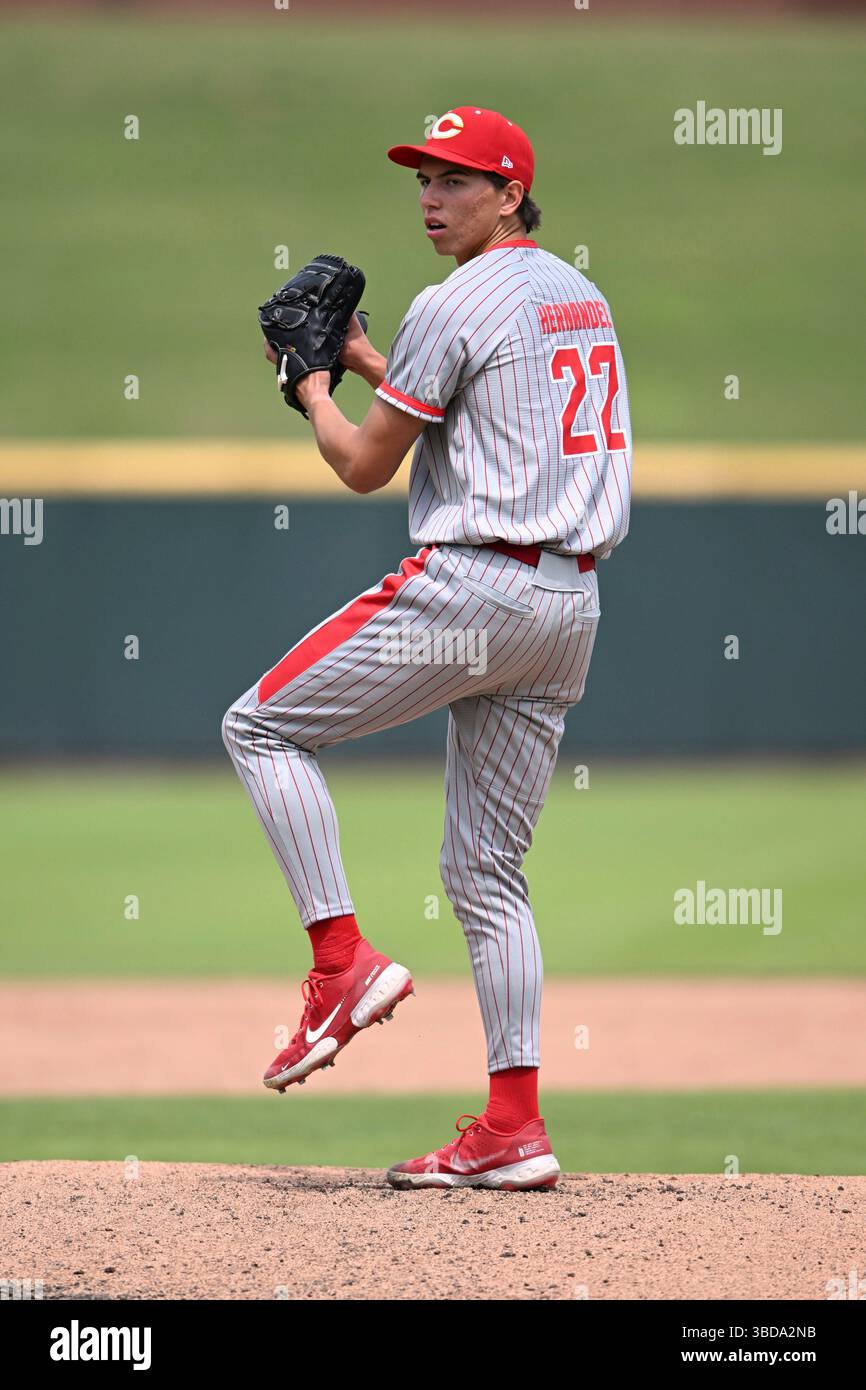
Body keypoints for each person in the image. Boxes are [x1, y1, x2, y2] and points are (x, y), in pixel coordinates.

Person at [223, 106, 632, 1190]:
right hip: (567, 608)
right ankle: (513, 1128)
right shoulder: (577, 296)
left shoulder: (450, 303)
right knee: (488, 876)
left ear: (510, 194)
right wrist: (366, 354)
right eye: (423, 177)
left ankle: (339, 963)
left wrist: (310, 385)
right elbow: (481, 409)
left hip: (473, 588)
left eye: (457, 179)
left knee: (259, 723)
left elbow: (364, 465)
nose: (430, 196)